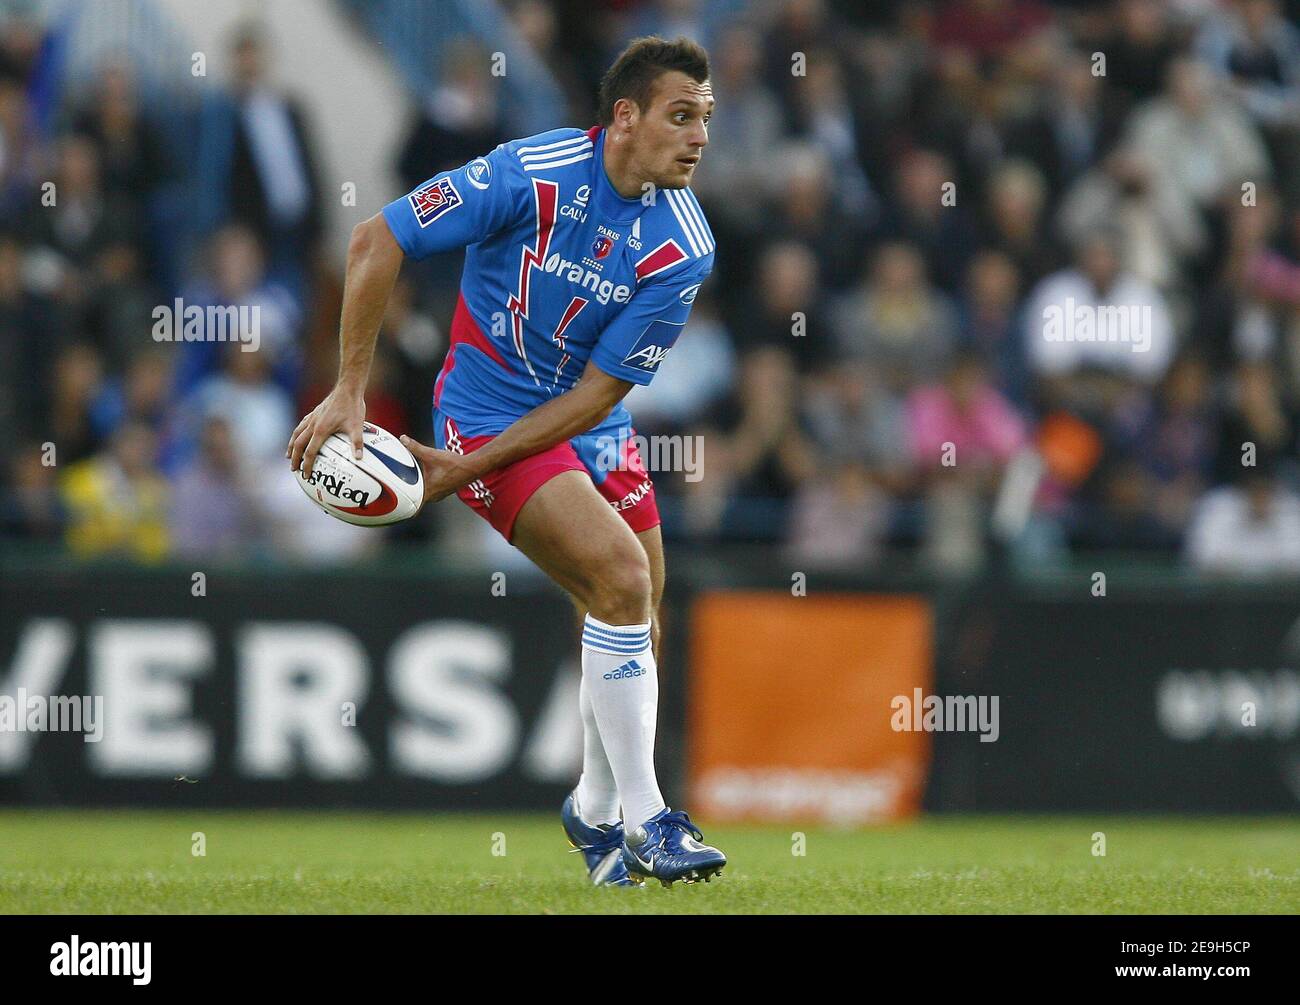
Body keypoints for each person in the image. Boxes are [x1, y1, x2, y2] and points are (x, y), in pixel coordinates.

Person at [287, 36, 726, 888]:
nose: (699, 136)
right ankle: (647, 820)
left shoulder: (687, 245)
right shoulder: (531, 170)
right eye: (681, 115)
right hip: (481, 408)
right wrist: (350, 389)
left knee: (639, 607)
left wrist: (470, 470)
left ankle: (594, 807)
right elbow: (377, 239)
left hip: (588, 421)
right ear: (625, 117)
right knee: (621, 578)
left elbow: (601, 394)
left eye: (705, 118)